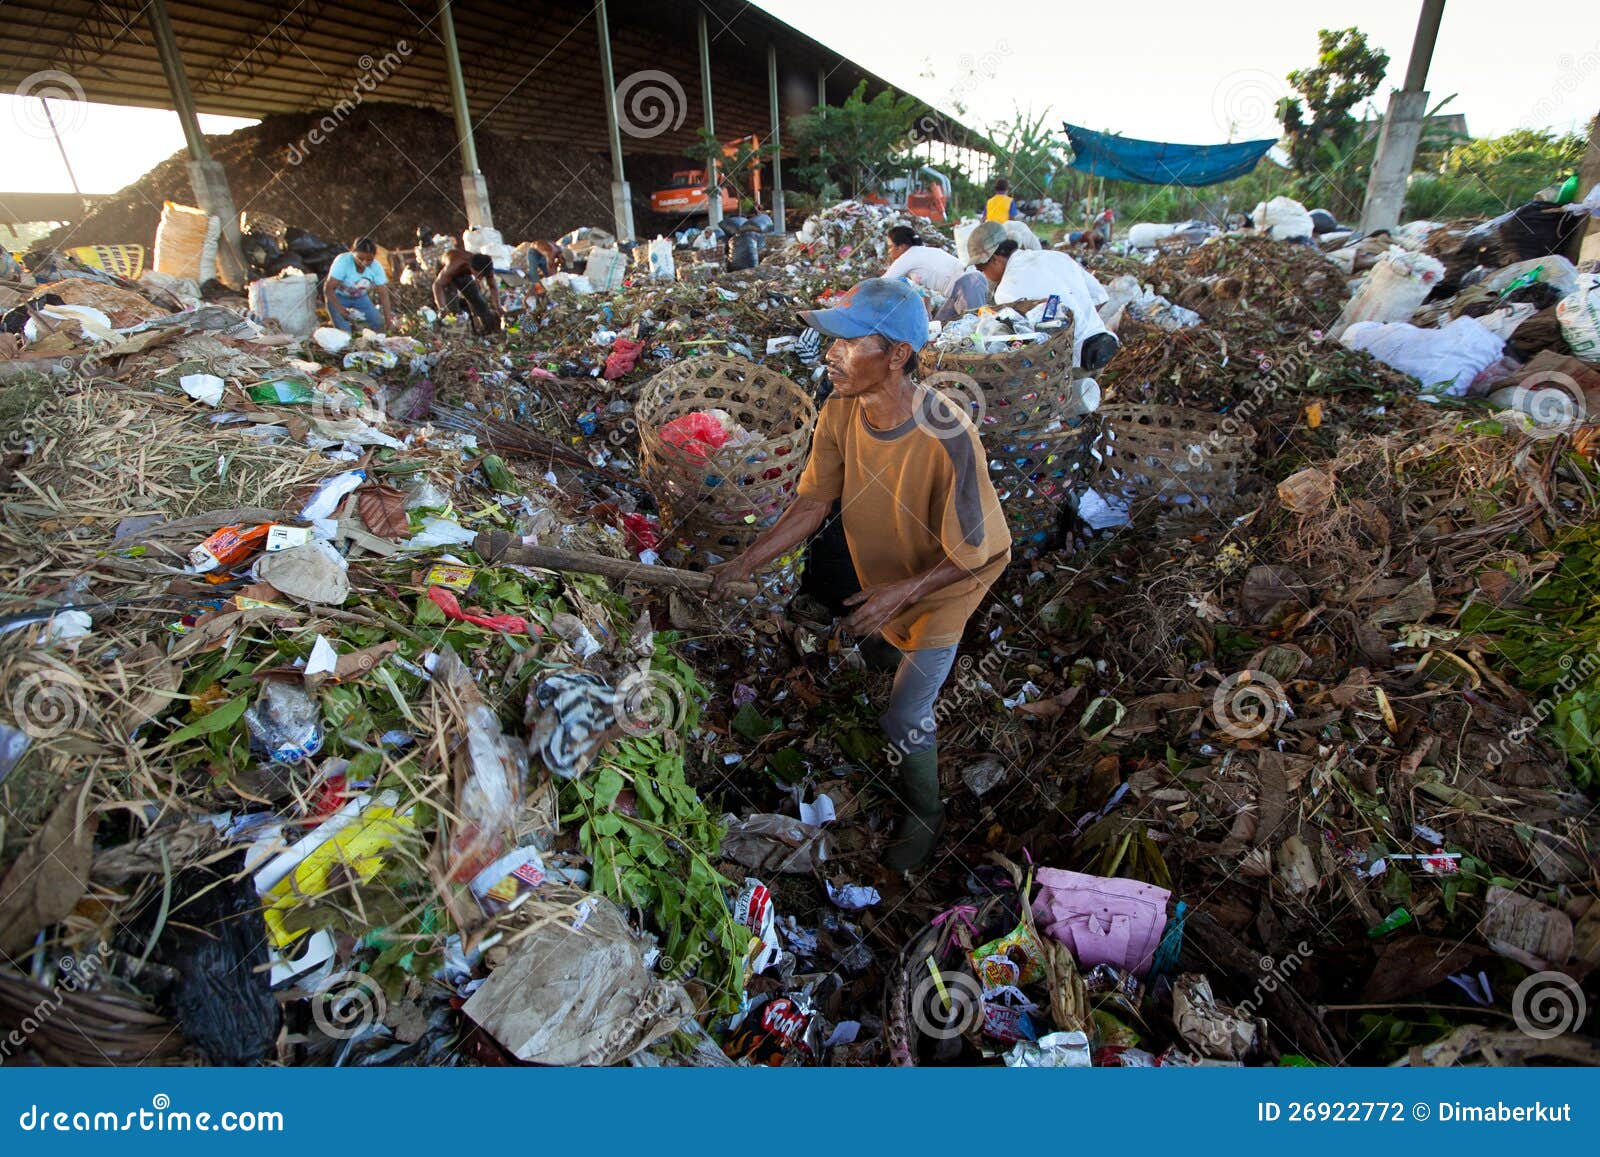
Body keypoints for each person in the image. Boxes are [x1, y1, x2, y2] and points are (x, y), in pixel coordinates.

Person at [710, 279, 1012, 872]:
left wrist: (903, 592)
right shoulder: (840, 409)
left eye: (849, 342)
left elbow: (975, 551)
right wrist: (744, 562)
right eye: (833, 340)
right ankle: (890, 650)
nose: (831, 353)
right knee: (876, 636)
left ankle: (925, 811)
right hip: (886, 567)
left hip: (947, 582)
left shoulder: (947, 434)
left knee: (903, 715)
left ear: (897, 354)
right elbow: (812, 503)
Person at [966, 220, 1119, 370]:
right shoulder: (1056, 256)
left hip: (1069, 363)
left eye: (981, 269)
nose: (984, 275)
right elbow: (1100, 295)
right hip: (1103, 343)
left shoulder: (1006, 290)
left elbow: (1025, 341)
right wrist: (1083, 326)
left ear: (995, 260)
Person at [324, 237, 395, 332]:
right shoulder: (343, 262)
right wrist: (342, 311)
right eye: (360, 258)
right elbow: (328, 289)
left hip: (361, 298)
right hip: (338, 297)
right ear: (352, 252)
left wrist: (388, 320)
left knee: (378, 324)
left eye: (369, 260)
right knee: (345, 334)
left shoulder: (376, 267)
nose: (364, 263)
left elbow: (383, 294)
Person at [432, 248, 502, 334]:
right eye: (479, 275)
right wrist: (442, 307)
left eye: (483, 275)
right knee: (452, 309)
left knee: (479, 301)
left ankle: (487, 331)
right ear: (471, 267)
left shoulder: (486, 268)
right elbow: (437, 285)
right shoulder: (455, 265)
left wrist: (498, 306)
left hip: (463, 273)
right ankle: (455, 334)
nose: (480, 278)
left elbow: (493, 286)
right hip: (444, 272)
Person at [882, 225, 964, 297]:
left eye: (890, 247)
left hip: (962, 289)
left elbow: (882, 283)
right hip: (965, 281)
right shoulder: (926, 251)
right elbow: (926, 294)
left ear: (902, 247)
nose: (889, 251)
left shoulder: (908, 257)